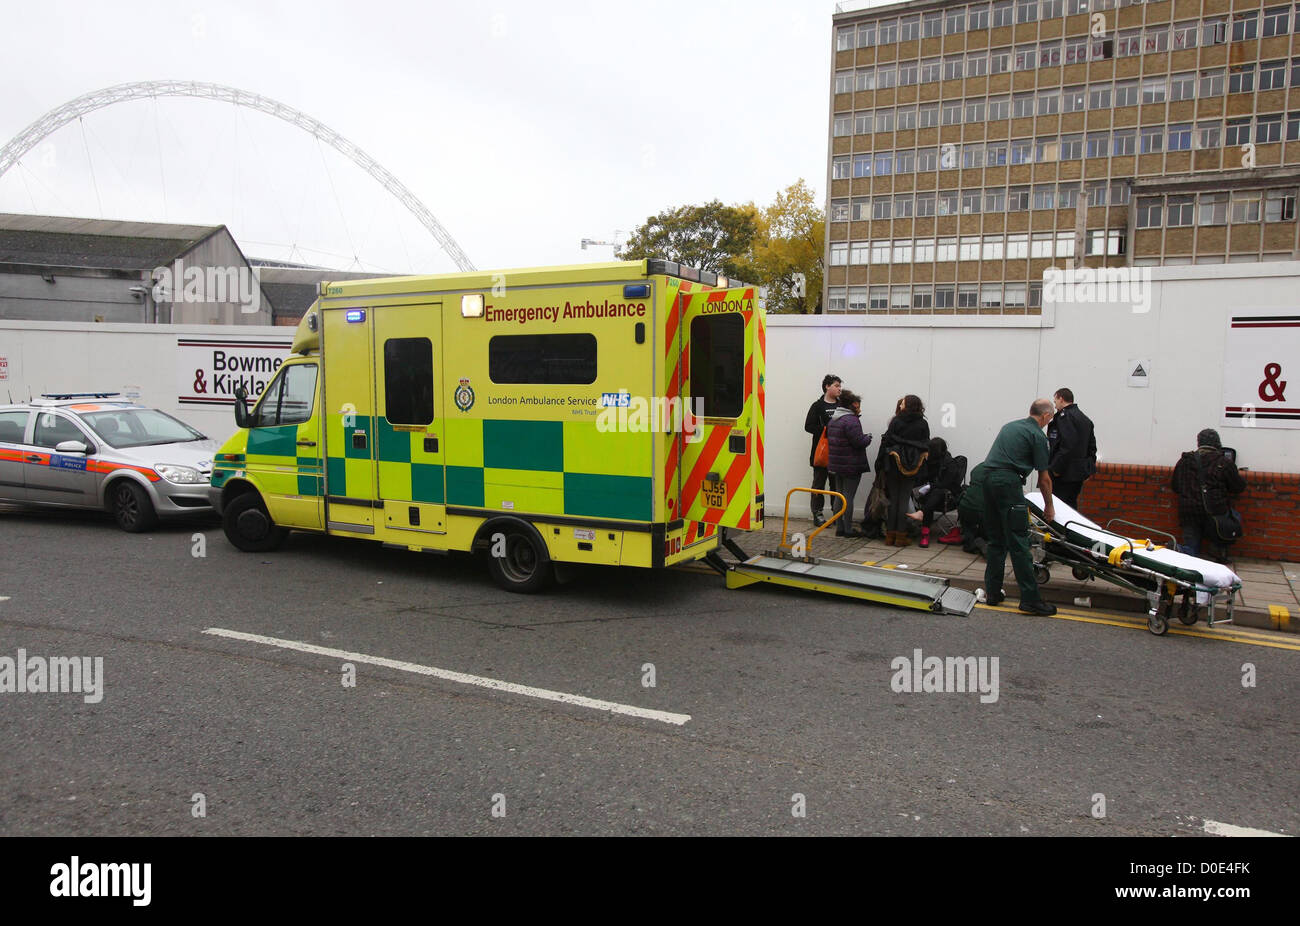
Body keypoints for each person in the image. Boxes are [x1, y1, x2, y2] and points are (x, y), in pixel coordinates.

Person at [982, 399, 1058, 615]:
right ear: (1045, 416)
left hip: (987, 480)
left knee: (996, 540)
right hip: (1008, 483)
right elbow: (1044, 479)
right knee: (1018, 541)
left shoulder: (1010, 427)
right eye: (1050, 418)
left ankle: (993, 593)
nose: (1048, 422)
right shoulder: (1038, 436)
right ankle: (1030, 600)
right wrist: (1049, 507)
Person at [1170, 428, 1246, 564]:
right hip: (1215, 511)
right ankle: (1218, 550)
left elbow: (1175, 486)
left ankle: (1181, 550)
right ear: (1217, 443)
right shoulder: (1224, 462)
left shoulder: (1185, 461)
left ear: (1199, 443)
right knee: (1233, 518)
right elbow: (1238, 487)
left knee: (1191, 550)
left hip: (1188, 511)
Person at [880, 395, 929, 547]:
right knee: (903, 499)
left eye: (903, 402)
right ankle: (901, 536)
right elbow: (926, 443)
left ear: (907, 405)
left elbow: (887, 440)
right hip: (913, 464)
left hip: (894, 463)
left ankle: (890, 536)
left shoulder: (896, 421)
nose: (900, 404)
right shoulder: (922, 423)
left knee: (894, 500)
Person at [825, 389, 872, 537]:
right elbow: (858, 442)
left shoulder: (833, 419)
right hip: (851, 464)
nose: (859, 408)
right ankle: (848, 529)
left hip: (836, 464)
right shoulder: (851, 420)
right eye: (857, 405)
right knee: (848, 497)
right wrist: (868, 438)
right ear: (851, 405)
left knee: (839, 495)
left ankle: (839, 527)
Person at [907, 437, 964, 547]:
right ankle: (923, 527)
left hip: (948, 497)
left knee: (937, 492)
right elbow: (924, 477)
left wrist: (931, 486)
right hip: (931, 495)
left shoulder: (950, 464)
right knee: (932, 495)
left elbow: (947, 483)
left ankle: (924, 533)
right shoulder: (929, 461)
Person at [1046, 387, 1097, 510]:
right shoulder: (1084, 419)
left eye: (1055, 401)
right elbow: (1092, 448)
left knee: (1058, 508)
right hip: (1077, 474)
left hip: (1063, 474)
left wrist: (1056, 469)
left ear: (1061, 399)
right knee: (1070, 507)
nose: (1055, 405)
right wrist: (1087, 469)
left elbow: (1068, 445)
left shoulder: (1065, 417)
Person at [804, 374, 842, 525]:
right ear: (827, 386)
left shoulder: (842, 405)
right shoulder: (817, 406)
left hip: (839, 452)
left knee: (836, 485)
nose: (839, 389)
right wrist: (826, 430)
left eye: (840, 386)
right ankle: (817, 513)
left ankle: (836, 512)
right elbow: (808, 426)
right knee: (819, 484)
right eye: (836, 385)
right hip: (821, 452)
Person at [956, 462, 990, 556]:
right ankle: (984, 541)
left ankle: (971, 543)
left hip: (966, 505)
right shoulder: (1001, 472)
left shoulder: (978, 468)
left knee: (968, 525)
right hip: (984, 510)